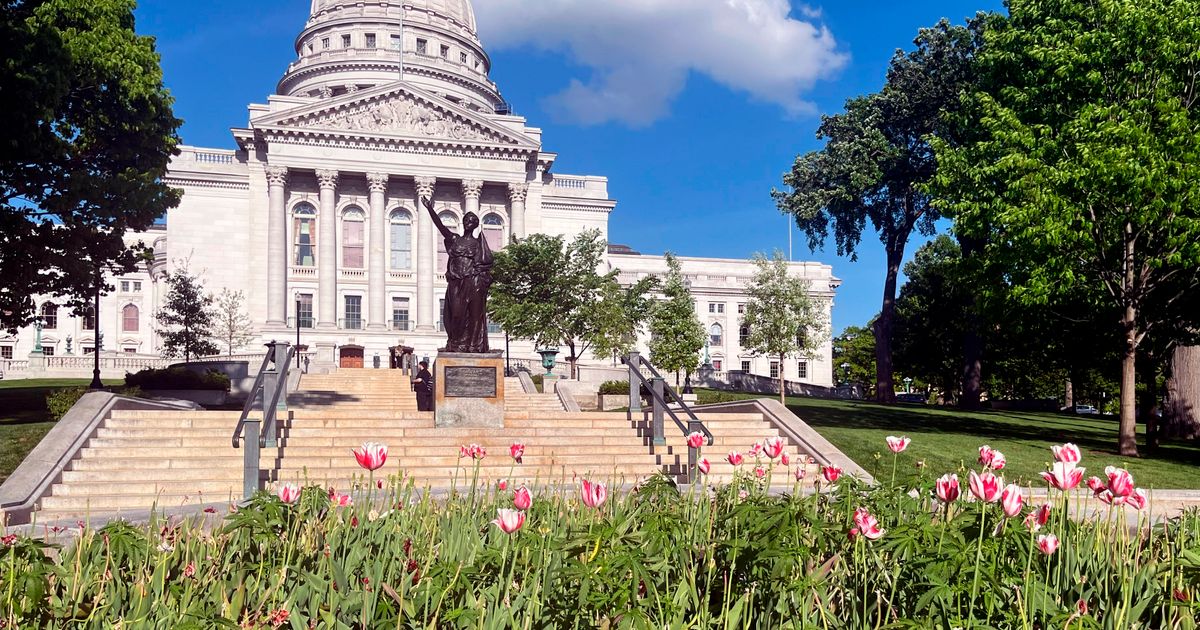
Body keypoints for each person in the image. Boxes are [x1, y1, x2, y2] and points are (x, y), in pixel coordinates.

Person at [422, 196, 492, 353]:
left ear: (475, 225)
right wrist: (429, 208)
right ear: (463, 222)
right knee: (456, 314)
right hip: (456, 282)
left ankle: (472, 345)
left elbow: (485, 264)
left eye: (472, 221)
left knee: (474, 316)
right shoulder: (454, 239)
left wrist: (480, 280)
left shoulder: (477, 243)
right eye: (467, 219)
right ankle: (455, 343)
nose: (469, 222)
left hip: (472, 281)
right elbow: (440, 227)